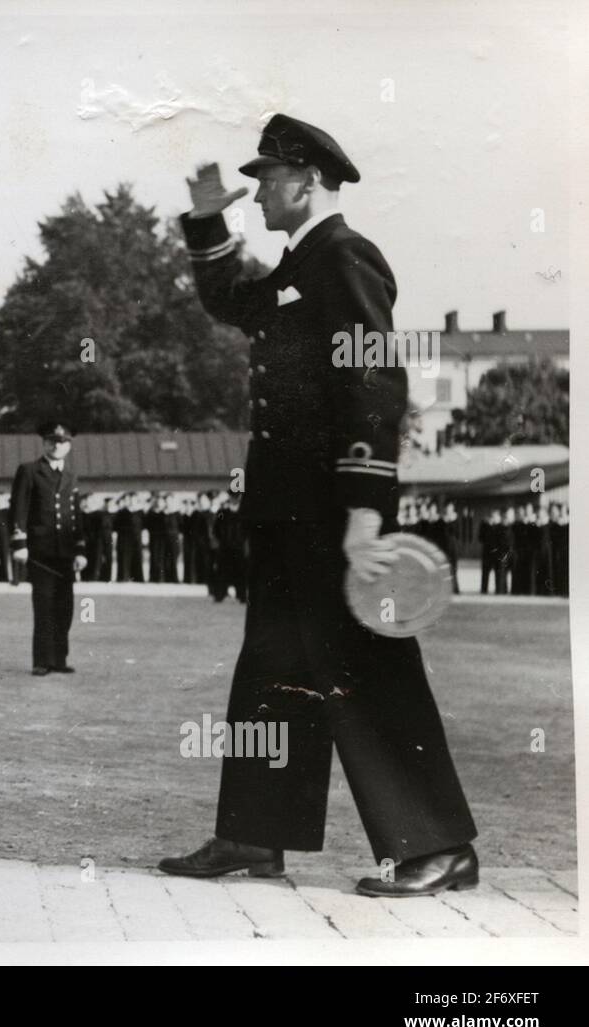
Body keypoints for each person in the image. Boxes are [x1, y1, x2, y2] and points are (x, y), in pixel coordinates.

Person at [159, 115, 477, 897]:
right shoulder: (300, 263)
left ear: (306, 180)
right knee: (272, 675)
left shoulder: (345, 257)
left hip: (335, 512)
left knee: (369, 675)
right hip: (285, 508)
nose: (259, 191)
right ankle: (255, 836)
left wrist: (367, 511)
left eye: (267, 178)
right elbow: (235, 299)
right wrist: (207, 220)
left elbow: (373, 381)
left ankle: (438, 845)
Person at [11, 422, 88, 675]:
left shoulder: (71, 475)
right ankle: (42, 661)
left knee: (65, 607)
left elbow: (74, 515)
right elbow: (19, 508)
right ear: (44, 443)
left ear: (69, 446)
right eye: (52, 441)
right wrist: (20, 543)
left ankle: (59, 659)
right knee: (44, 605)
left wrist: (80, 549)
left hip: (65, 551)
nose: (57, 445)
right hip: (40, 550)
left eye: (62, 442)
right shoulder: (30, 470)